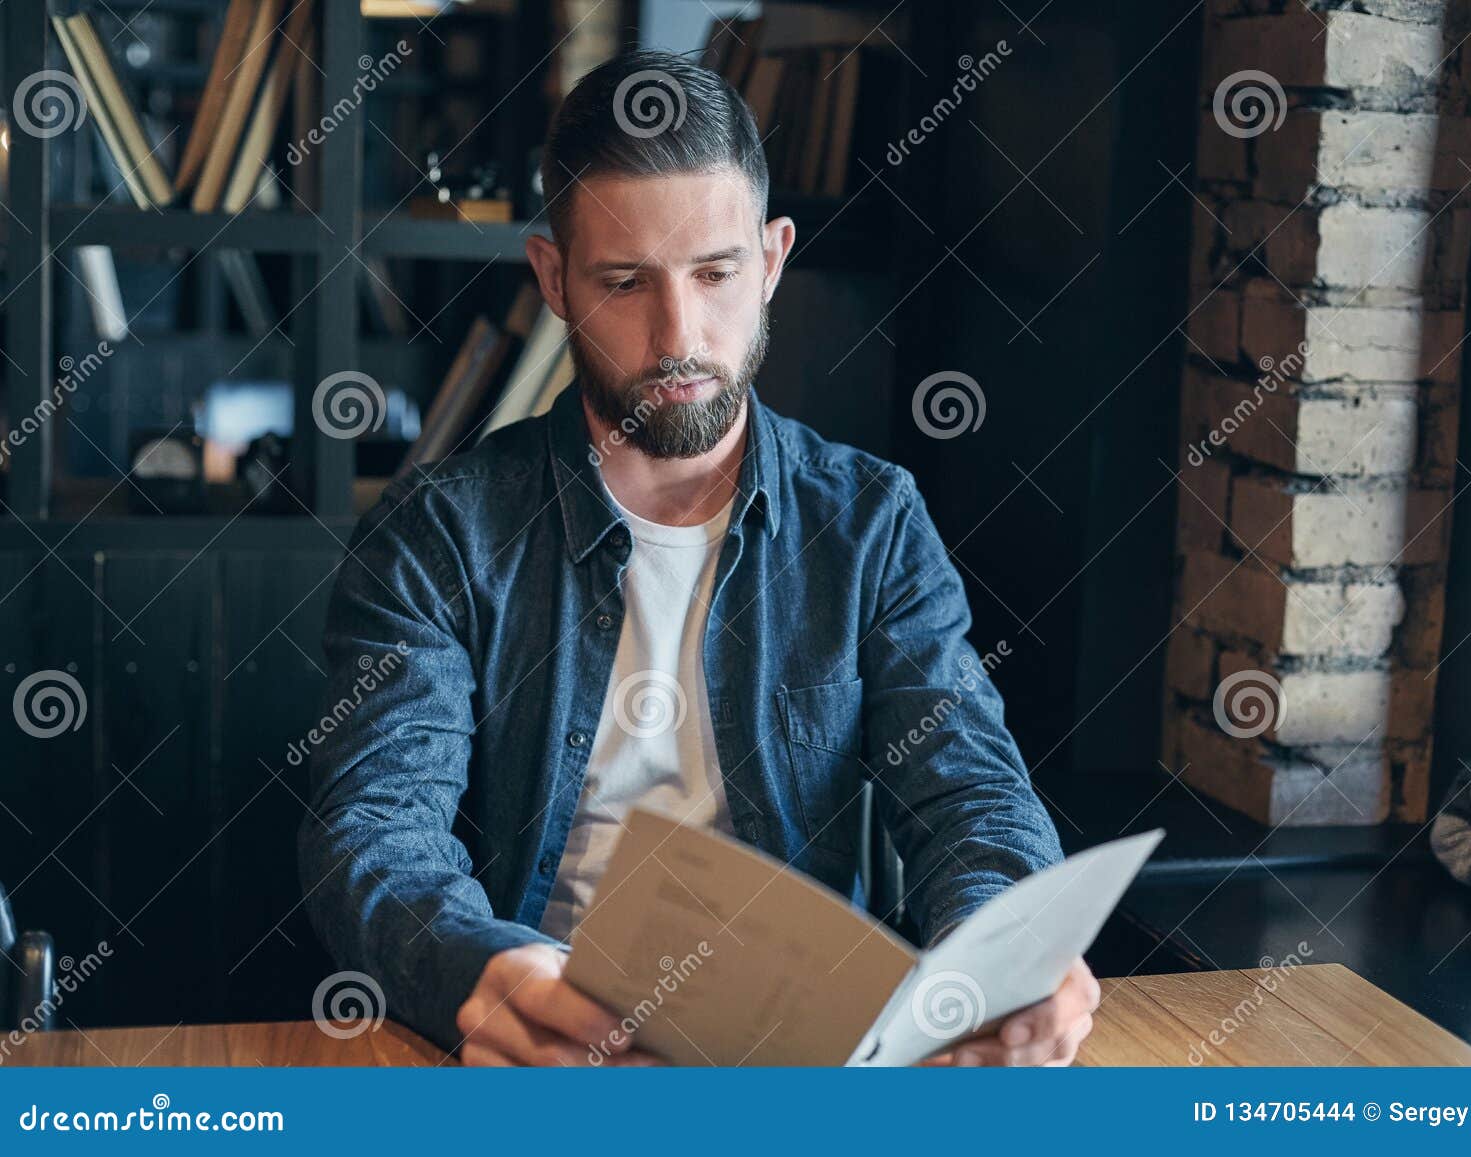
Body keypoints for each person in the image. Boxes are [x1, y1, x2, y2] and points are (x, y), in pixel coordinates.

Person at [298, 48, 1097, 1067]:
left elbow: (970, 795)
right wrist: (483, 967)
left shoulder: (871, 521)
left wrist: (1000, 955)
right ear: (552, 277)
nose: (680, 336)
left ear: (770, 261)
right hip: (545, 1048)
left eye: (715, 274)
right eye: (625, 282)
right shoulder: (438, 533)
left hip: (801, 1060)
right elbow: (376, 827)